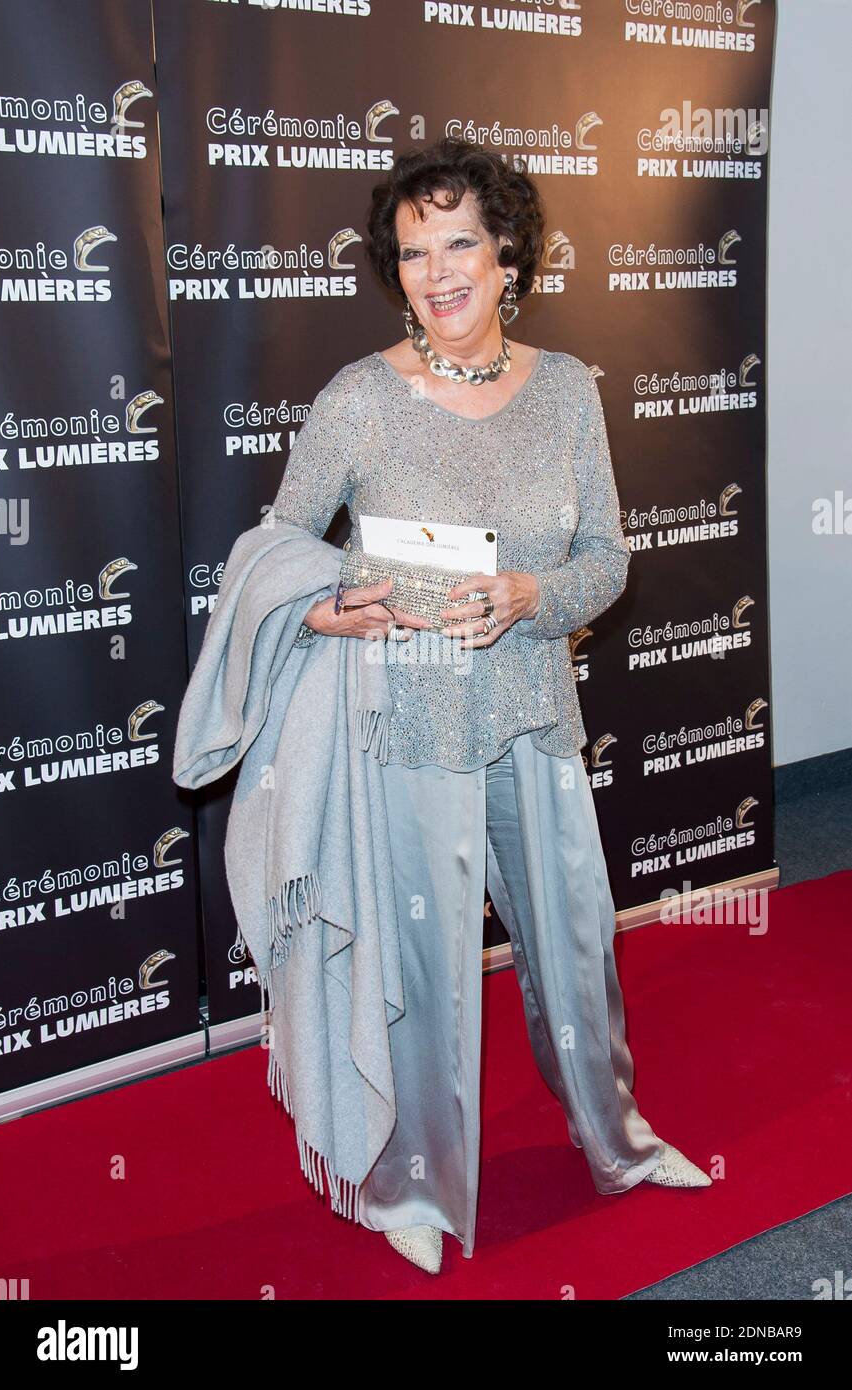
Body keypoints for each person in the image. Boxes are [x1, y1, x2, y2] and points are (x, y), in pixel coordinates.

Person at [267, 137, 712, 1275]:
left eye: (459, 241)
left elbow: (606, 557)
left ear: (506, 252)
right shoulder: (360, 401)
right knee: (420, 975)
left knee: (573, 950)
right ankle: (411, 1180)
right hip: (409, 728)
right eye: (414, 251)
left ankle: (615, 1141)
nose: (439, 271)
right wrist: (331, 613)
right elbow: (275, 551)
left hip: (531, 713)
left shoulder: (564, 391)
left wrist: (534, 594)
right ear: (396, 270)